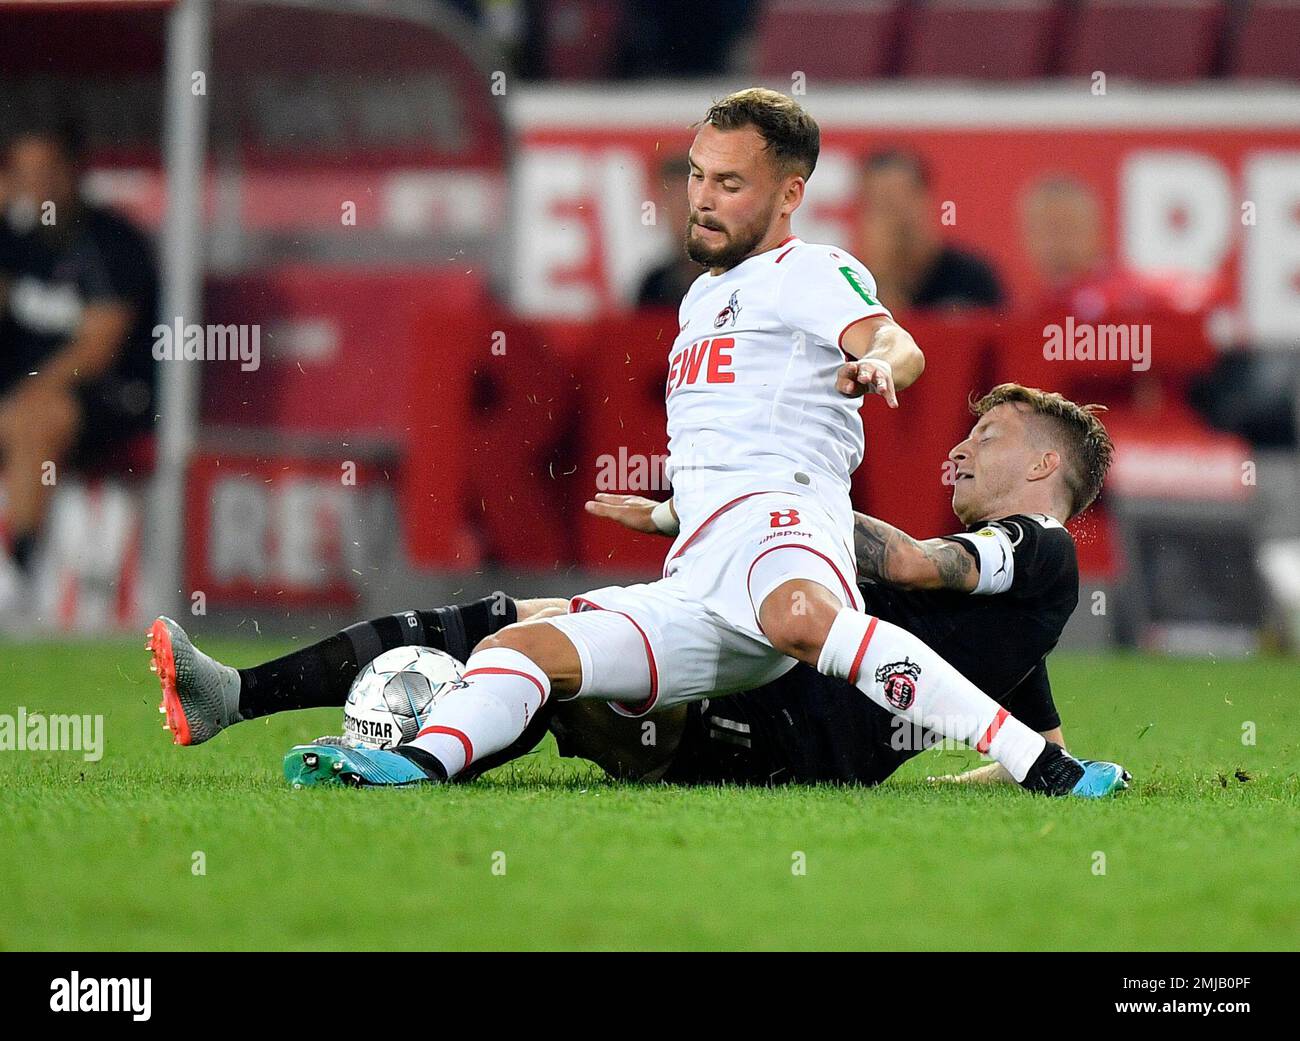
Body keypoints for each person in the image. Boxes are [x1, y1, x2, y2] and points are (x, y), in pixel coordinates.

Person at [154, 89, 1122, 797]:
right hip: (704, 573)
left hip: (787, 542)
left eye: (728, 184)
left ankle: (1043, 771)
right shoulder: (700, 296)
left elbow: (888, 340)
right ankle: (399, 767)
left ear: (787, 195)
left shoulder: (811, 271)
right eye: (696, 176)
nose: (701, 199)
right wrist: (673, 510)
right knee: (523, 641)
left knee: (800, 616)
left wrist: (884, 365)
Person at [146, 383, 1124, 792]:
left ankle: (387, 759)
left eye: (986, 437)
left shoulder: (1034, 546)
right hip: (770, 709)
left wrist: (776, 495)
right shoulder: (1014, 621)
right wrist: (1006, 773)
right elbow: (1039, 738)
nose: (956, 446)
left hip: (773, 727)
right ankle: (245, 698)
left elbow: (914, 561)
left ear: (1043, 472)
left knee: (560, 672)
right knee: (520, 626)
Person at [0, 117, 157, 592]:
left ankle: (17, 571)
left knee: (38, 416)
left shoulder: (111, 243)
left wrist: (14, 404)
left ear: (74, 171)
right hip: (19, 398)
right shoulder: (13, 242)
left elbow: (94, 350)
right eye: (21, 174)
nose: (35, 187)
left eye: (46, 171)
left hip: (108, 399)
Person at [857, 149, 1004, 314]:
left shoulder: (973, 277)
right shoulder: (855, 287)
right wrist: (885, 279)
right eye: (884, 203)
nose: (896, 218)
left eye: (904, 199)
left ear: (926, 198)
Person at [636, 154, 704, 308]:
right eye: (670, 201)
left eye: (687, 203)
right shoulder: (654, 285)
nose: (682, 215)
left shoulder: (739, 277)